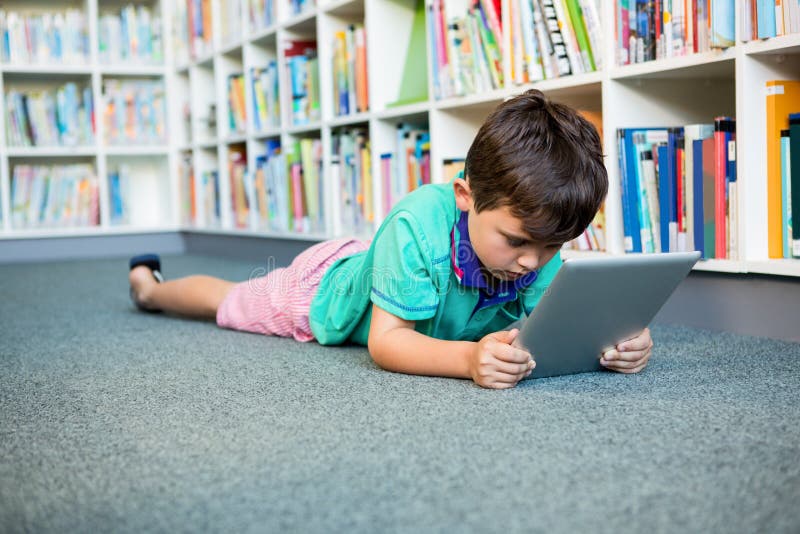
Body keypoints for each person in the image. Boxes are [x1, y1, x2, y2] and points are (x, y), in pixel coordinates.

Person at [129, 89, 653, 389]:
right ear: (466, 197)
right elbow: (386, 342)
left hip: (391, 264)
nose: (532, 263)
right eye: (518, 242)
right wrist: (469, 361)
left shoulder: (533, 250)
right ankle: (150, 288)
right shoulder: (415, 224)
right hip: (326, 289)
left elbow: (553, 322)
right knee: (233, 300)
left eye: (551, 248)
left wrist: (616, 339)